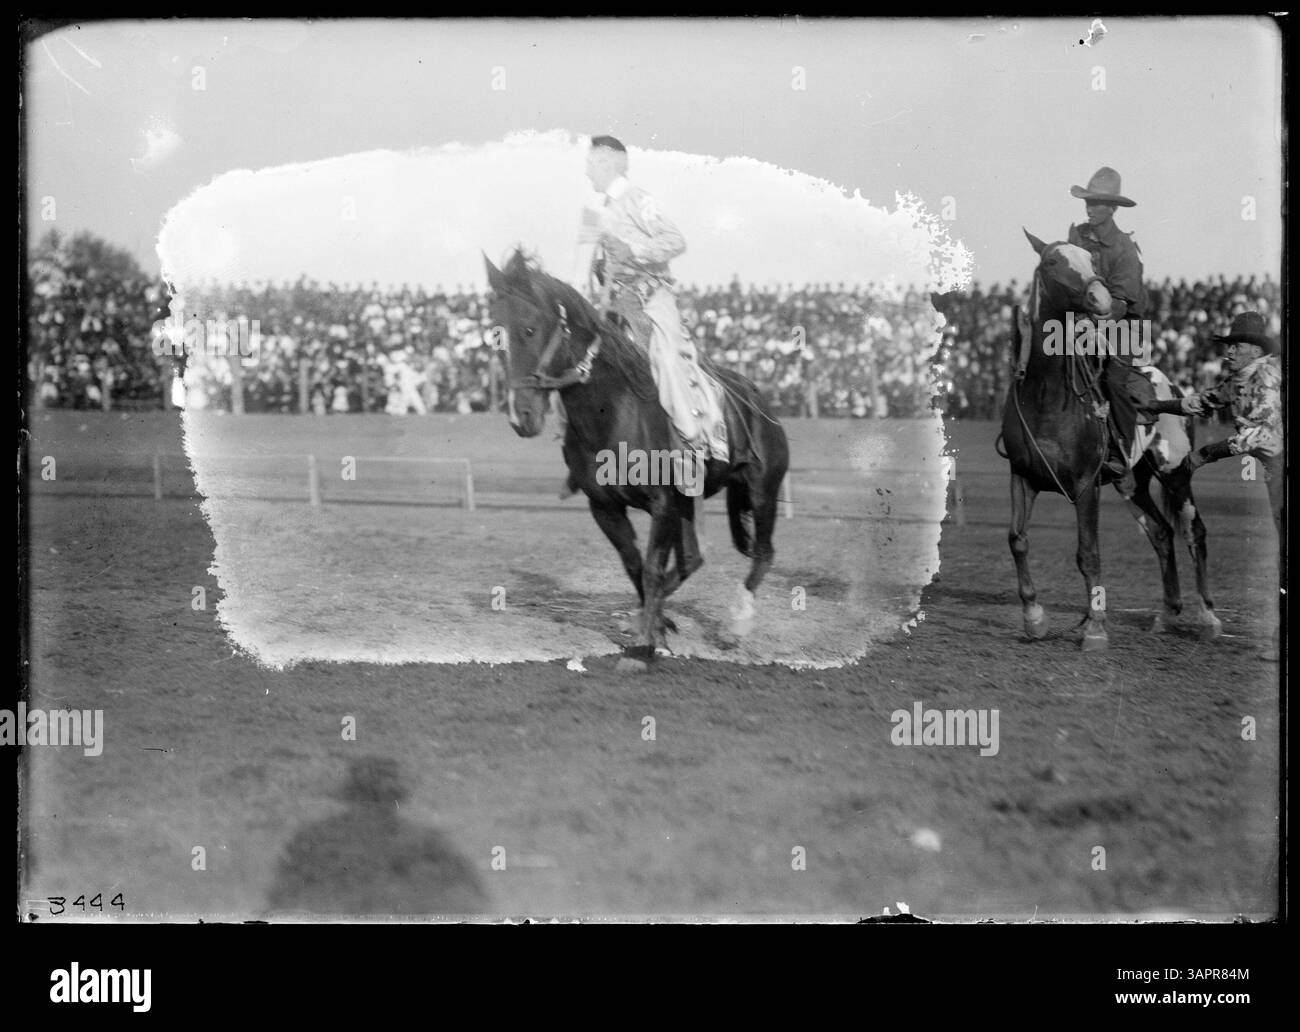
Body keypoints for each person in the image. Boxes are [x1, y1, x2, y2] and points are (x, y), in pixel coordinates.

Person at [577, 135, 728, 495]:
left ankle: (695, 446)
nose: (586, 172)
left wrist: (633, 249)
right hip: (611, 305)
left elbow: (675, 240)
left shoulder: (638, 199)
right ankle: (588, 456)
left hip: (650, 299)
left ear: (611, 163)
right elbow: (584, 264)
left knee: (668, 360)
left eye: (592, 164)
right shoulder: (595, 210)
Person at [1066, 167, 1147, 479]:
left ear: (1113, 208)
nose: (1089, 207)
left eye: (1097, 202)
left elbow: (1122, 302)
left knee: (1114, 381)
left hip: (1124, 326)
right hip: (1082, 323)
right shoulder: (1076, 236)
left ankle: (1120, 450)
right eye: (1088, 201)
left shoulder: (1126, 249)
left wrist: (1091, 323)